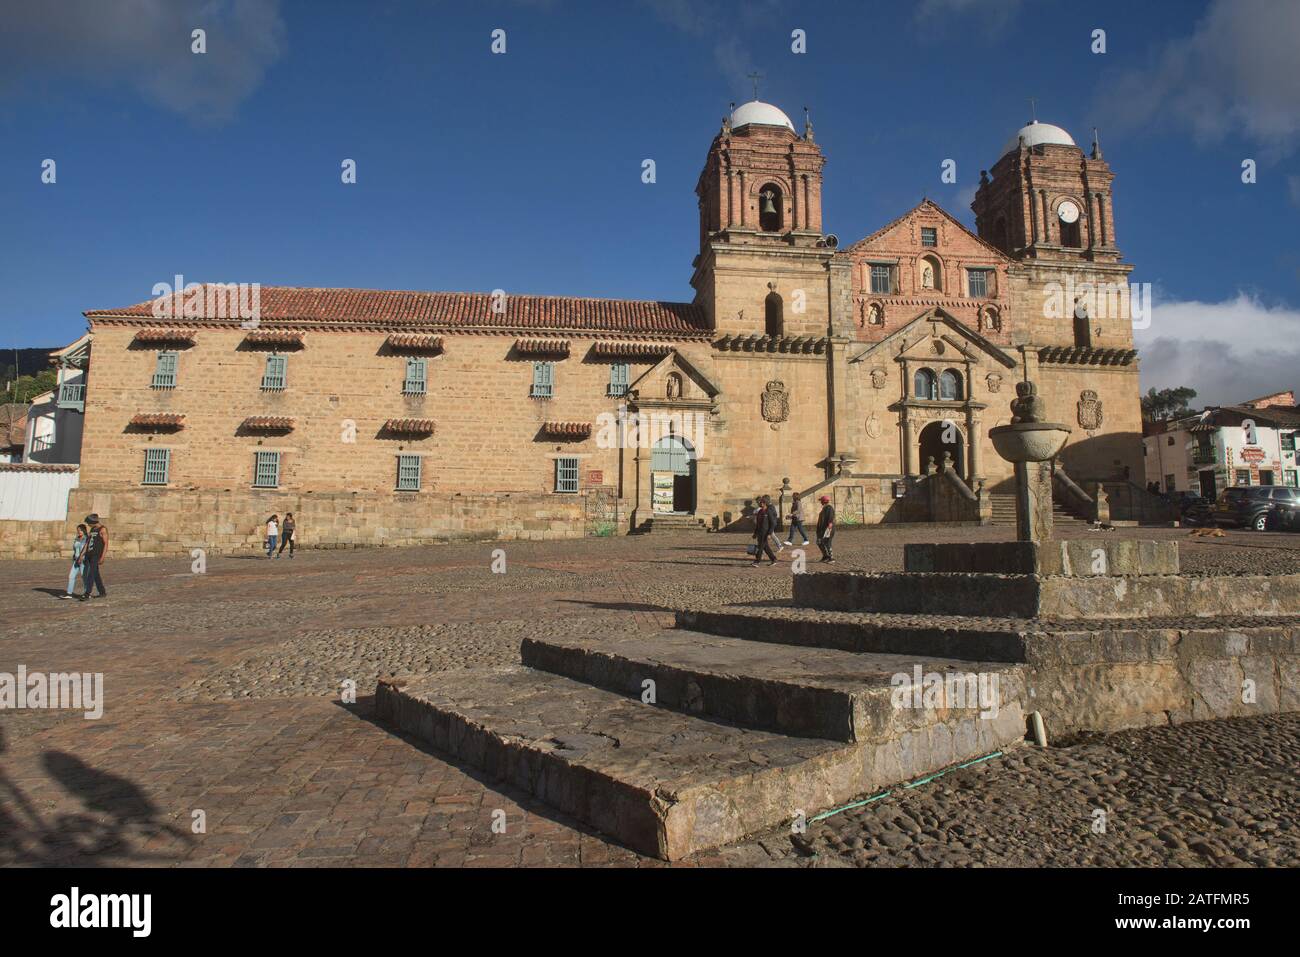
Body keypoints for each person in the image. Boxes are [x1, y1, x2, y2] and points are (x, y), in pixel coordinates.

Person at [80, 514, 108, 600]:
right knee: (95, 574)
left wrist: (102, 557)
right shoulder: (92, 529)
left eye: (89, 523)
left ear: (92, 522)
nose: (88, 525)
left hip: (96, 555)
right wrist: (82, 554)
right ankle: (102, 592)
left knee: (91, 574)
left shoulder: (102, 529)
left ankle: (87, 593)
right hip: (89, 554)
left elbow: (106, 544)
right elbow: (87, 542)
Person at [750, 495, 778, 567]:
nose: (760, 503)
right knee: (765, 547)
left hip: (765, 532)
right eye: (760, 502)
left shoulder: (768, 511)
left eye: (761, 502)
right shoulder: (760, 511)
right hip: (760, 532)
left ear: (765, 503)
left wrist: (769, 533)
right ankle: (774, 559)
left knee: (760, 547)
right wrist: (755, 533)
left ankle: (757, 561)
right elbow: (758, 524)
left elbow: (773, 523)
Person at [62, 523, 88, 599]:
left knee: (84, 577)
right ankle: (69, 593)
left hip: (83, 560)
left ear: (84, 530)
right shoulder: (77, 538)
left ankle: (87, 592)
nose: (79, 532)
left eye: (81, 530)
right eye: (78, 530)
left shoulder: (87, 539)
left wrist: (82, 557)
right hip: (76, 560)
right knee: (71, 576)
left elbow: (86, 549)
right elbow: (75, 548)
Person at [816, 495, 836, 564]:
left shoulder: (829, 508)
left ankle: (831, 558)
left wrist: (829, 524)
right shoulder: (824, 508)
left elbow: (830, 516)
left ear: (824, 501)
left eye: (821, 501)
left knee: (827, 542)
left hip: (828, 528)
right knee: (819, 542)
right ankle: (825, 556)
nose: (820, 502)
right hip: (822, 529)